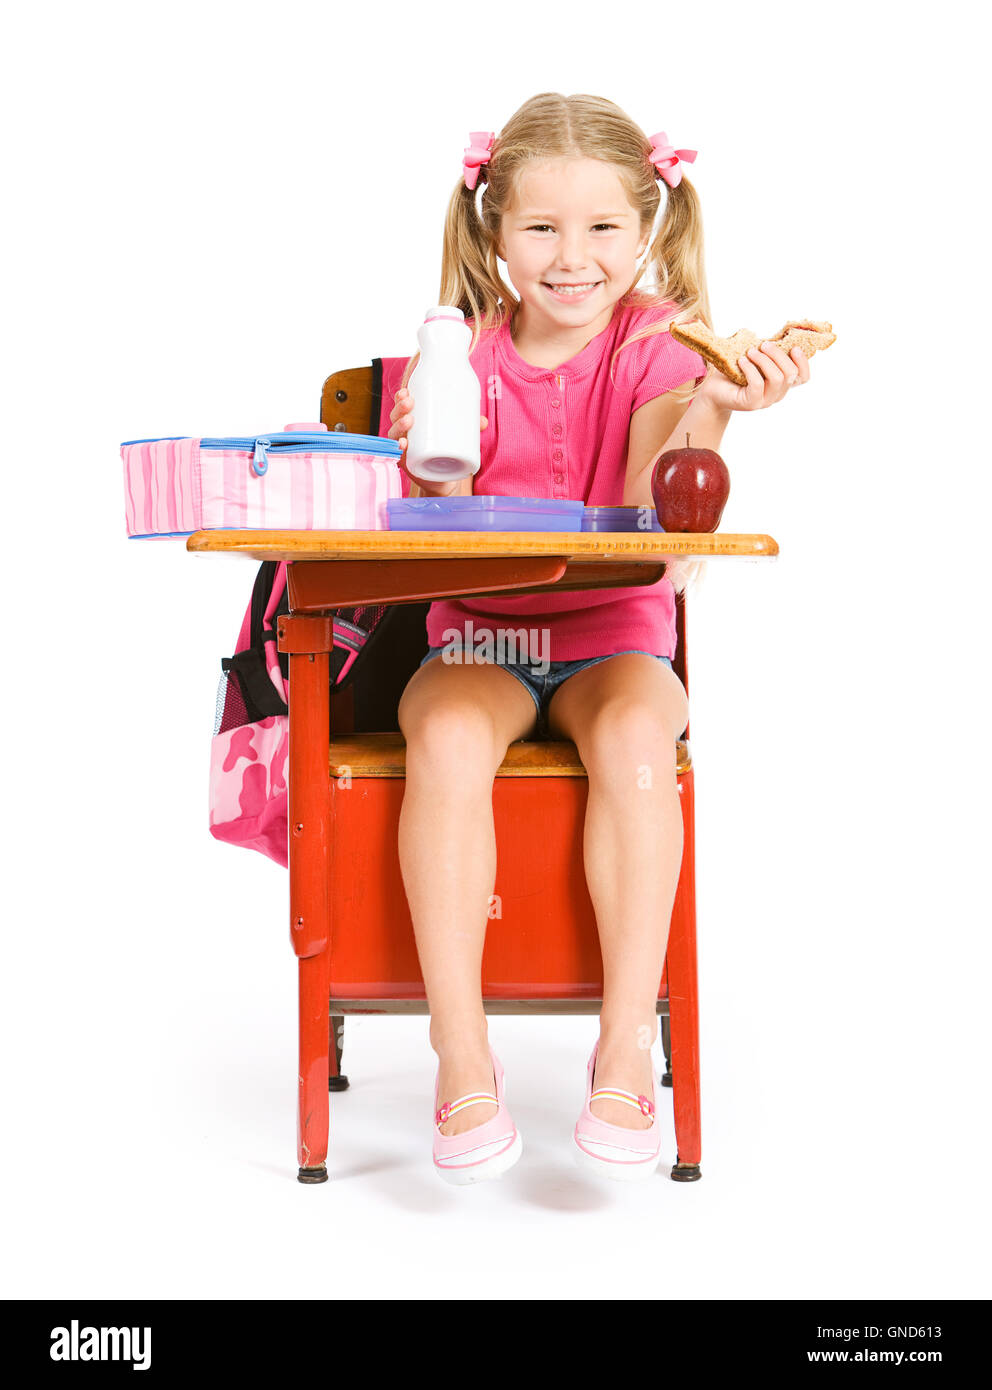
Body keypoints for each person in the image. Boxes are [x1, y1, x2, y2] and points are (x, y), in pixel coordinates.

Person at [387, 92, 813, 1184]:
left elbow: (646, 531)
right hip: (482, 639)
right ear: (493, 234)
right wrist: (424, 452)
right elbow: (432, 537)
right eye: (539, 229)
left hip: (614, 638)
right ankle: (459, 1047)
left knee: (634, 740)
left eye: (600, 230)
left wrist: (711, 405)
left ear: (648, 229)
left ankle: (624, 1041)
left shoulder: (662, 346)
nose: (570, 259)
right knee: (438, 735)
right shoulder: (458, 355)